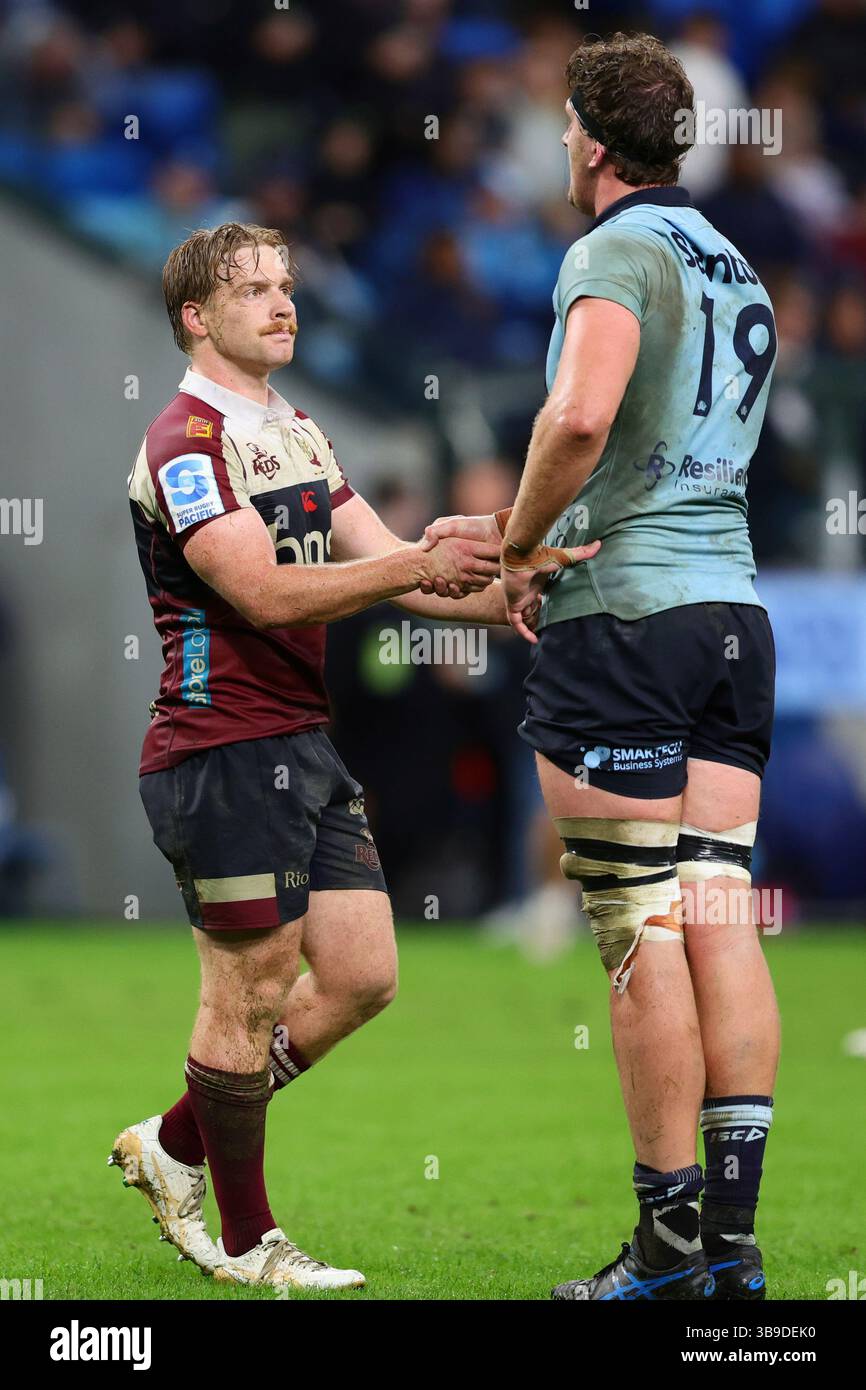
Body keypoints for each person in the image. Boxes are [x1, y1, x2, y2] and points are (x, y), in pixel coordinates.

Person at [111, 221, 597, 1292]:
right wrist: (420, 560)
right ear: (196, 317)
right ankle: (247, 1238)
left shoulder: (299, 431)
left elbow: (396, 570)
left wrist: (507, 560)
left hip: (301, 744)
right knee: (248, 991)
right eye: (253, 291)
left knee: (364, 975)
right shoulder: (183, 440)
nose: (283, 304)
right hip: (216, 745)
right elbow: (266, 592)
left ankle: (175, 1143)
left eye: (286, 286)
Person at [426, 32, 779, 1301]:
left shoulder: (609, 248)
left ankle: (665, 1250)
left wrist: (517, 547)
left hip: (623, 615)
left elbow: (576, 415)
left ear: (585, 135)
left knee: (641, 930)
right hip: (731, 618)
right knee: (722, 915)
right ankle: (728, 1248)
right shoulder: (735, 259)